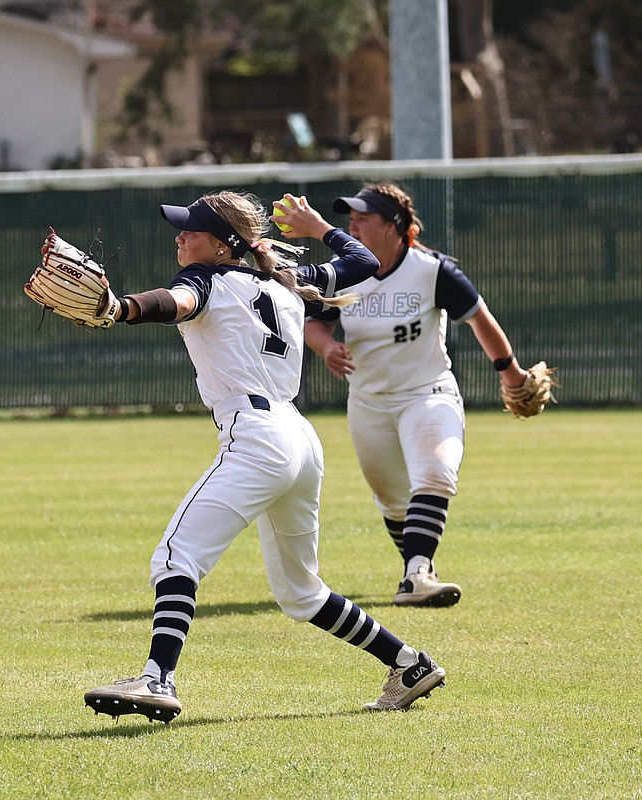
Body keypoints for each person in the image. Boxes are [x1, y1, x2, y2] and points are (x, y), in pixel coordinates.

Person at [83, 190, 446, 723]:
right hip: (299, 440)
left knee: (174, 557)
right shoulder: (286, 284)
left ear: (223, 244)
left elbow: (176, 302)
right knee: (302, 592)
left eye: (190, 229)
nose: (180, 236)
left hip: (255, 437)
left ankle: (157, 678)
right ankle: (408, 662)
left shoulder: (206, 280)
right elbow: (364, 263)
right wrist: (322, 229)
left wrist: (123, 308)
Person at [304, 182, 535, 608]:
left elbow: (479, 319)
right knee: (393, 501)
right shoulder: (342, 271)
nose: (352, 225)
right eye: (349, 218)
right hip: (369, 401)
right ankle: (418, 568)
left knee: (435, 473)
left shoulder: (431, 270)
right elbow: (313, 321)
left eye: (362, 218)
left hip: (427, 392)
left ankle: (415, 576)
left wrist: (512, 374)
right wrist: (326, 347)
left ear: (393, 226)